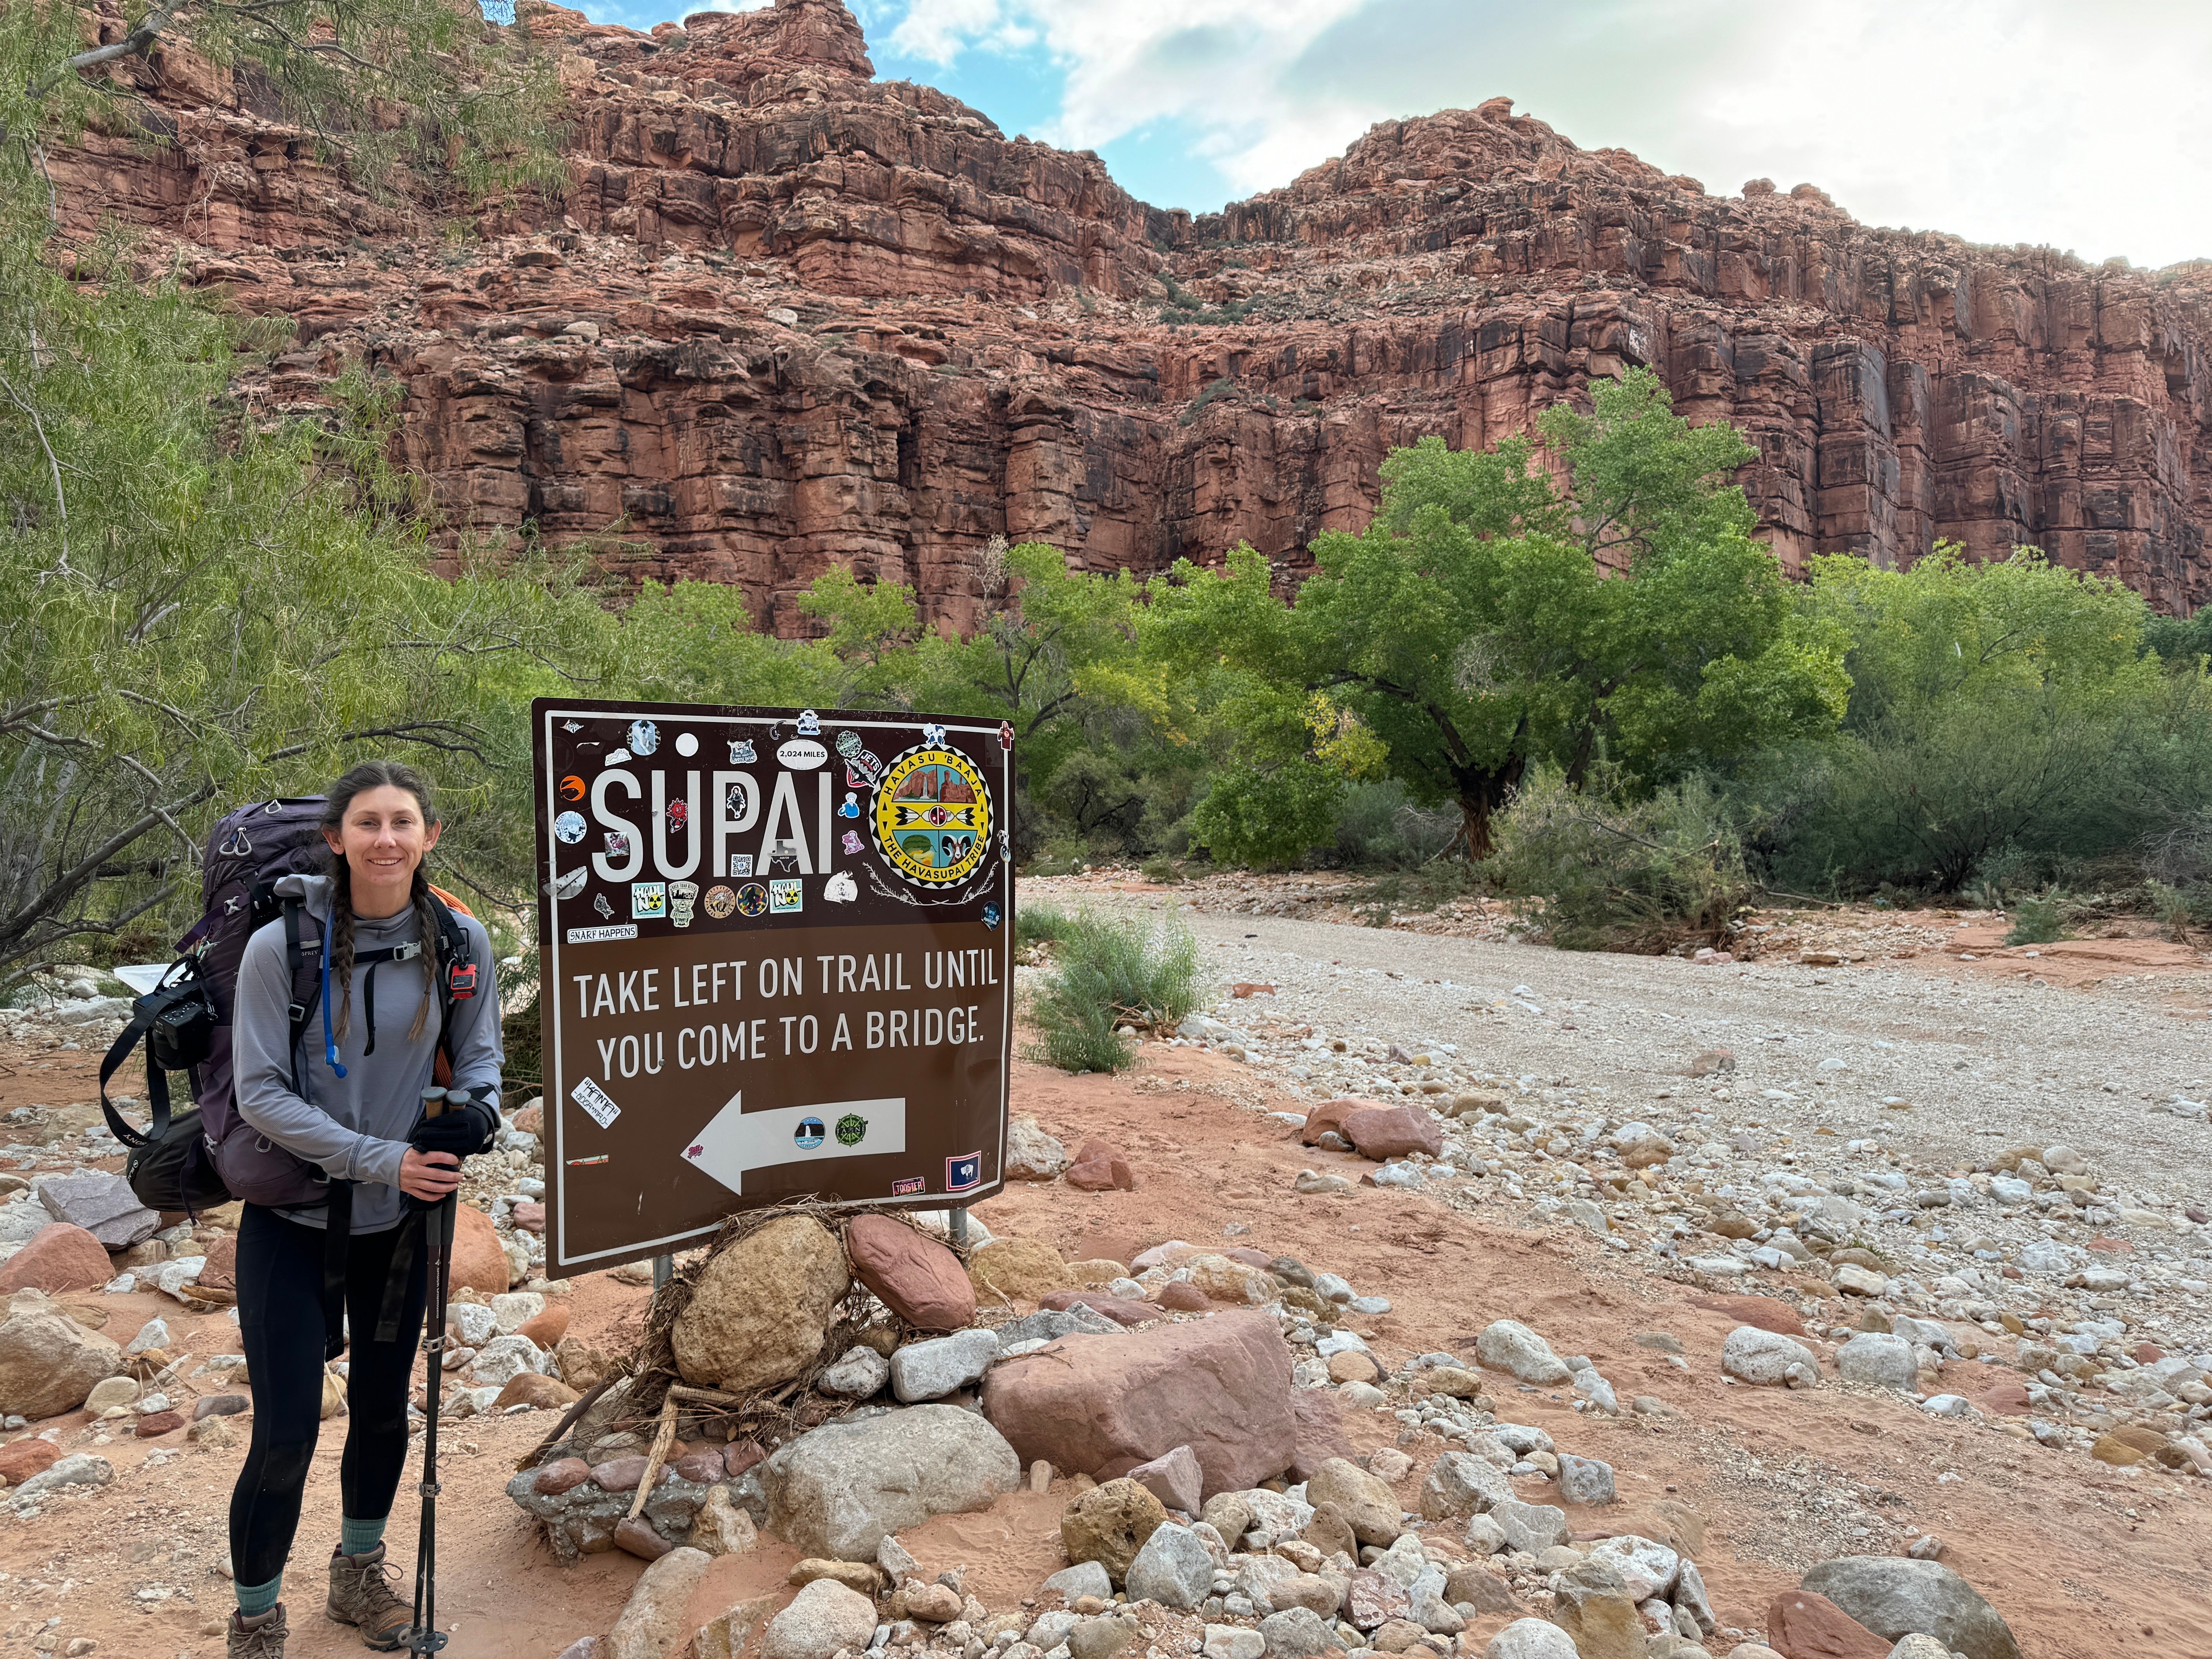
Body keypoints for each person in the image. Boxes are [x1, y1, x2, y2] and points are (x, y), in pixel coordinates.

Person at [224, 761, 504, 1658]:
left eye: (403, 823)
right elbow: (263, 1093)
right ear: (335, 838)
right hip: (294, 1222)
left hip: (404, 1224)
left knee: (387, 1412)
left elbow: (484, 1058)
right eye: (369, 823)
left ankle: (356, 1575)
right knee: (285, 1434)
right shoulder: (282, 950)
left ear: (429, 837)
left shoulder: (460, 942)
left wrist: (479, 1116)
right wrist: (383, 1159)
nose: (387, 839)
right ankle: (257, 1617)